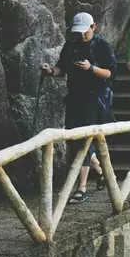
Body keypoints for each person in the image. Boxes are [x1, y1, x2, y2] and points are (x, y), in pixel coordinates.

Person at [40, 12, 114, 204]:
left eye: (85, 32)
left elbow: (109, 73)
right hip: (74, 98)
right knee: (73, 140)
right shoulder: (71, 45)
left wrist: (91, 68)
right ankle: (100, 171)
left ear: (93, 27)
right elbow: (61, 68)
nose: (81, 36)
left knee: (84, 142)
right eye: (78, 32)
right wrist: (50, 71)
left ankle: (81, 188)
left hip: (94, 99)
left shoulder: (101, 46)